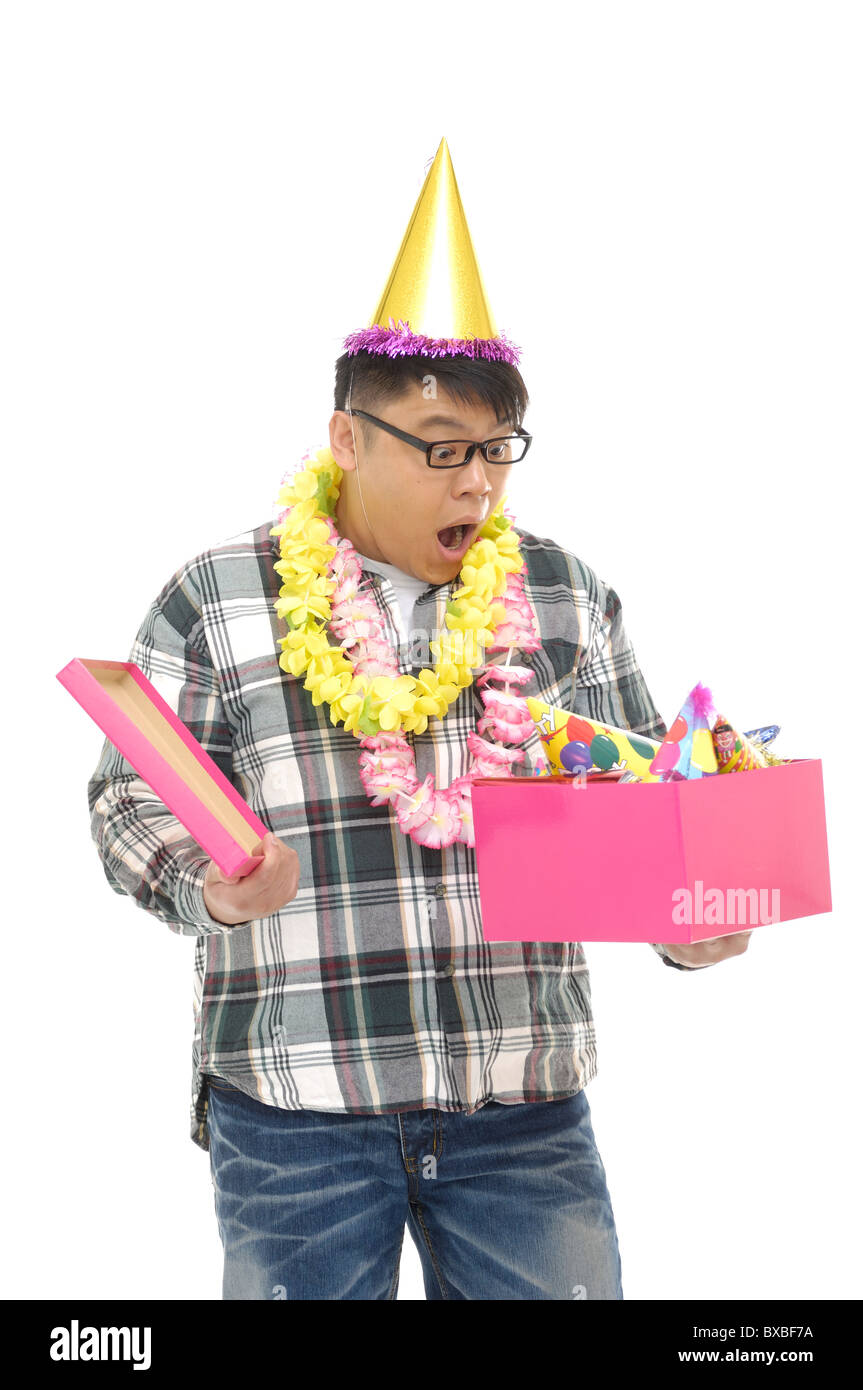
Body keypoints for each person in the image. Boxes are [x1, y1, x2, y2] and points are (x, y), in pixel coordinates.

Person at [87, 139, 750, 1301]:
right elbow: (127, 793)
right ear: (346, 439)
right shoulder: (219, 594)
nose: (477, 485)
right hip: (297, 1106)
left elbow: (647, 806)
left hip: (521, 1109)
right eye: (442, 451)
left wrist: (692, 916)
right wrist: (206, 878)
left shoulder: (562, 592)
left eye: (496, 452)